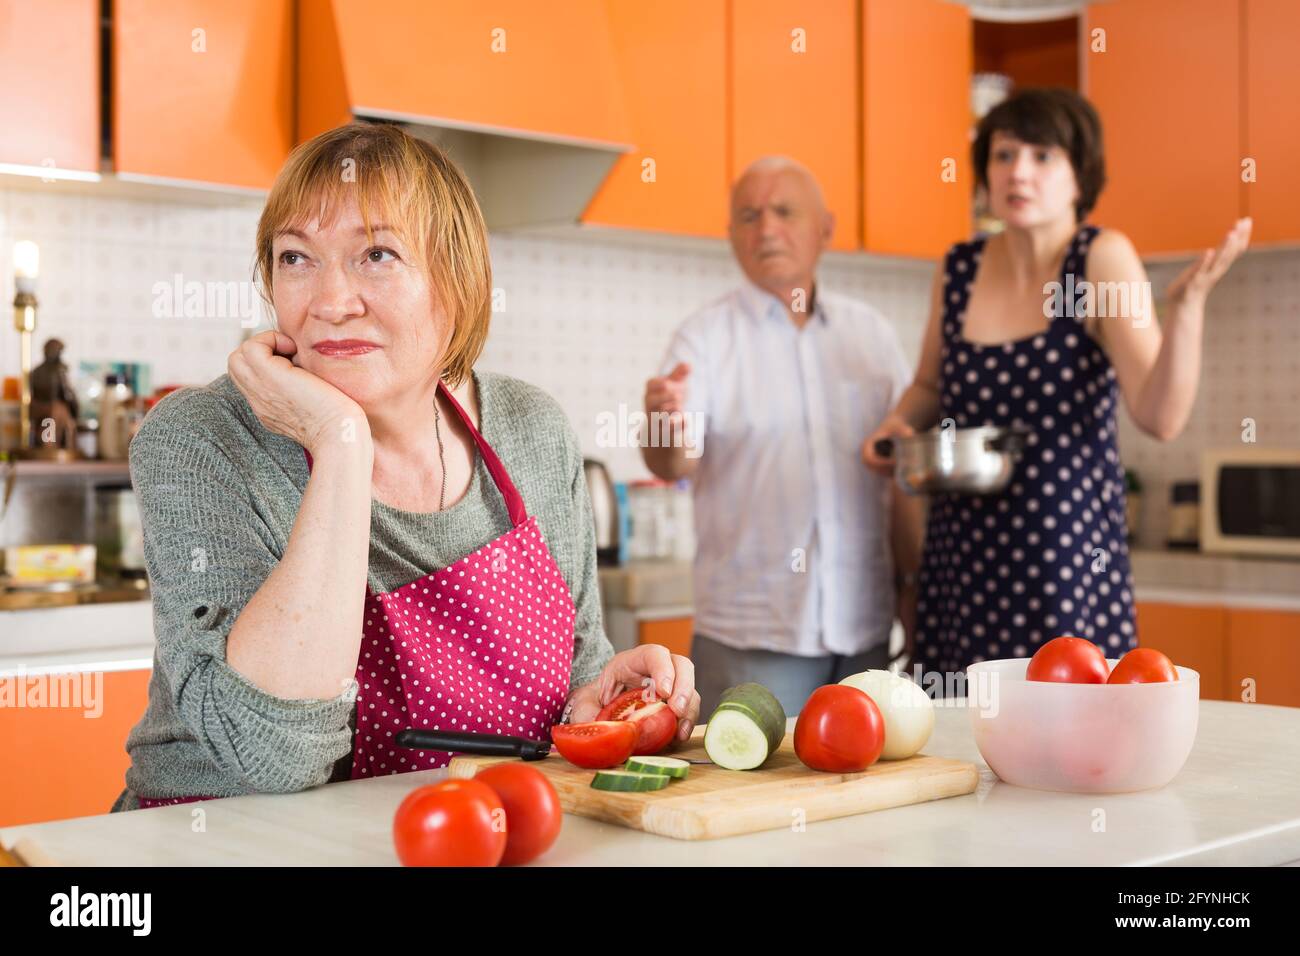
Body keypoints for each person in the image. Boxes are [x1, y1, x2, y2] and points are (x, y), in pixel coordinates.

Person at [112, 123, 699, 810]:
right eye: (296, 258)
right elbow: (272, 753)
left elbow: (577, 667)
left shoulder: (532, 430)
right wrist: (339, 442)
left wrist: (601, 695)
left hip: (464, 838)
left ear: (457, 280)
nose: (330, 303)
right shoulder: (202, 439)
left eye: (377, 254)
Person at [862, 88, 1250, 688]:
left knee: (1062, 735)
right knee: (960, 743)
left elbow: (1160, 414)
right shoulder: (959, 267)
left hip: (1063, 556)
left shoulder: (1101, 258)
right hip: (960, 557)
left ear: (1079, 176)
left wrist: (1187, 310)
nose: (1019, 171)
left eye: (1043, 156)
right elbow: (929, 384)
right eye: (1003, 154)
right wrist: (896, 426)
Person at [643, 156, 923, 718]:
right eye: (748, 215)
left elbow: (898, 476)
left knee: (866, 800)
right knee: (747, 794)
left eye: (784, 212)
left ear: (826, 228)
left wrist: (912, 592)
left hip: (865, 628)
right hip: (753, 636)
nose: (766, 228)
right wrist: (664, 422)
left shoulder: (870, 336)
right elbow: (674, 461)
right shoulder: (704, 337)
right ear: (730, 236)